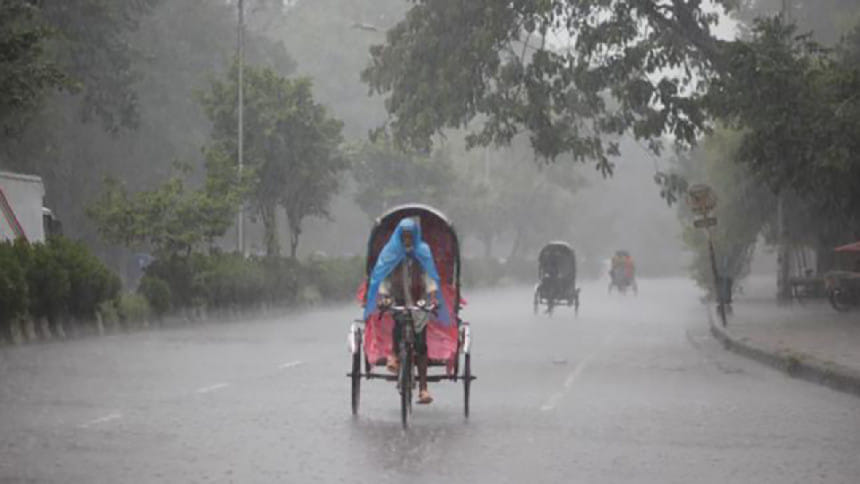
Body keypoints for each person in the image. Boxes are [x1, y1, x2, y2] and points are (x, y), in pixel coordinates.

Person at [364, 218, 450, 405]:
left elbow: (429, 276)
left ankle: (424, 388)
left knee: (421, 345)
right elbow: (384, 277)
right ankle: (394, 355)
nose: (407, 240)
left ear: (415, 236)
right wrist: (384, 296)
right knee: (398, 325)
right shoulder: (391, 252)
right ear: (400, 236)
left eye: (410, 236)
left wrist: (433, 296)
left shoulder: (423, 252)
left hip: (419, 301)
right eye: (404, 236)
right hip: (398, 299)